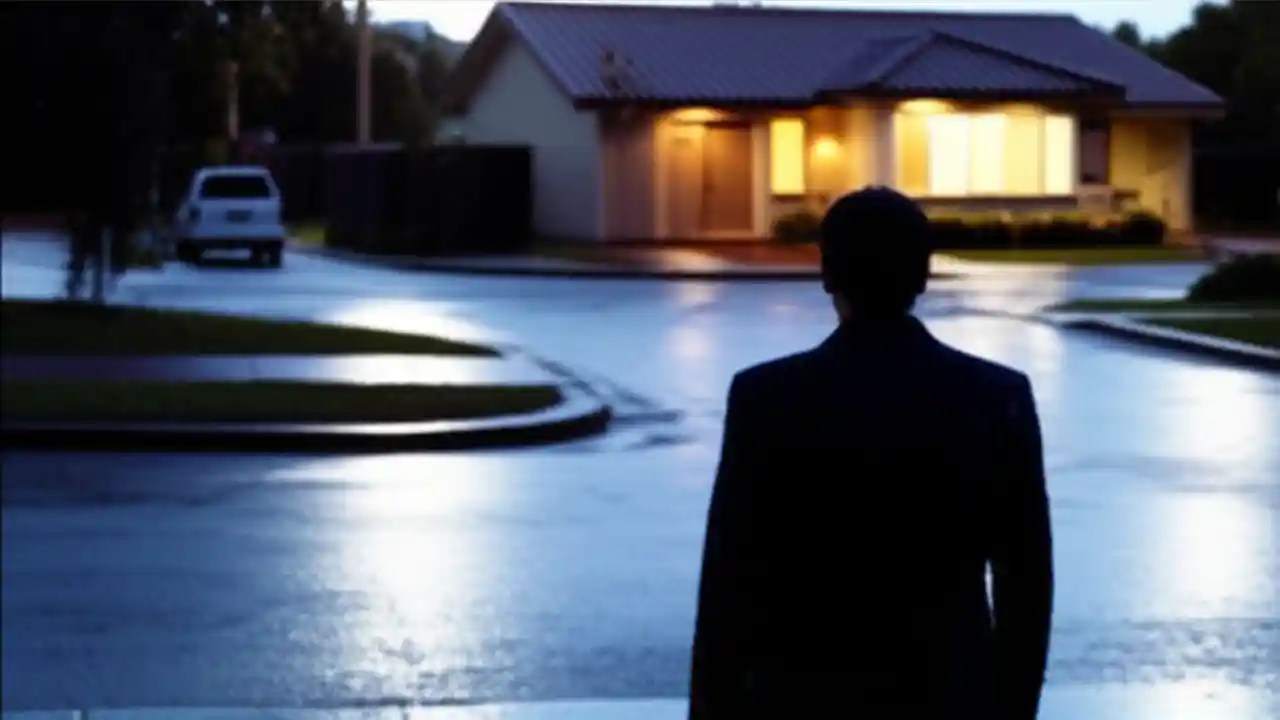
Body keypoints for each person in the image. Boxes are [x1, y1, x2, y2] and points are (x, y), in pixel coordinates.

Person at [688, 187, 1054, 719]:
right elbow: (1025, 583)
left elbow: (729, 581)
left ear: (827, 274)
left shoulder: (767, 398)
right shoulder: (996, 398)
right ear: (924, 276)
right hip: (949, 696)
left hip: (803, 695)